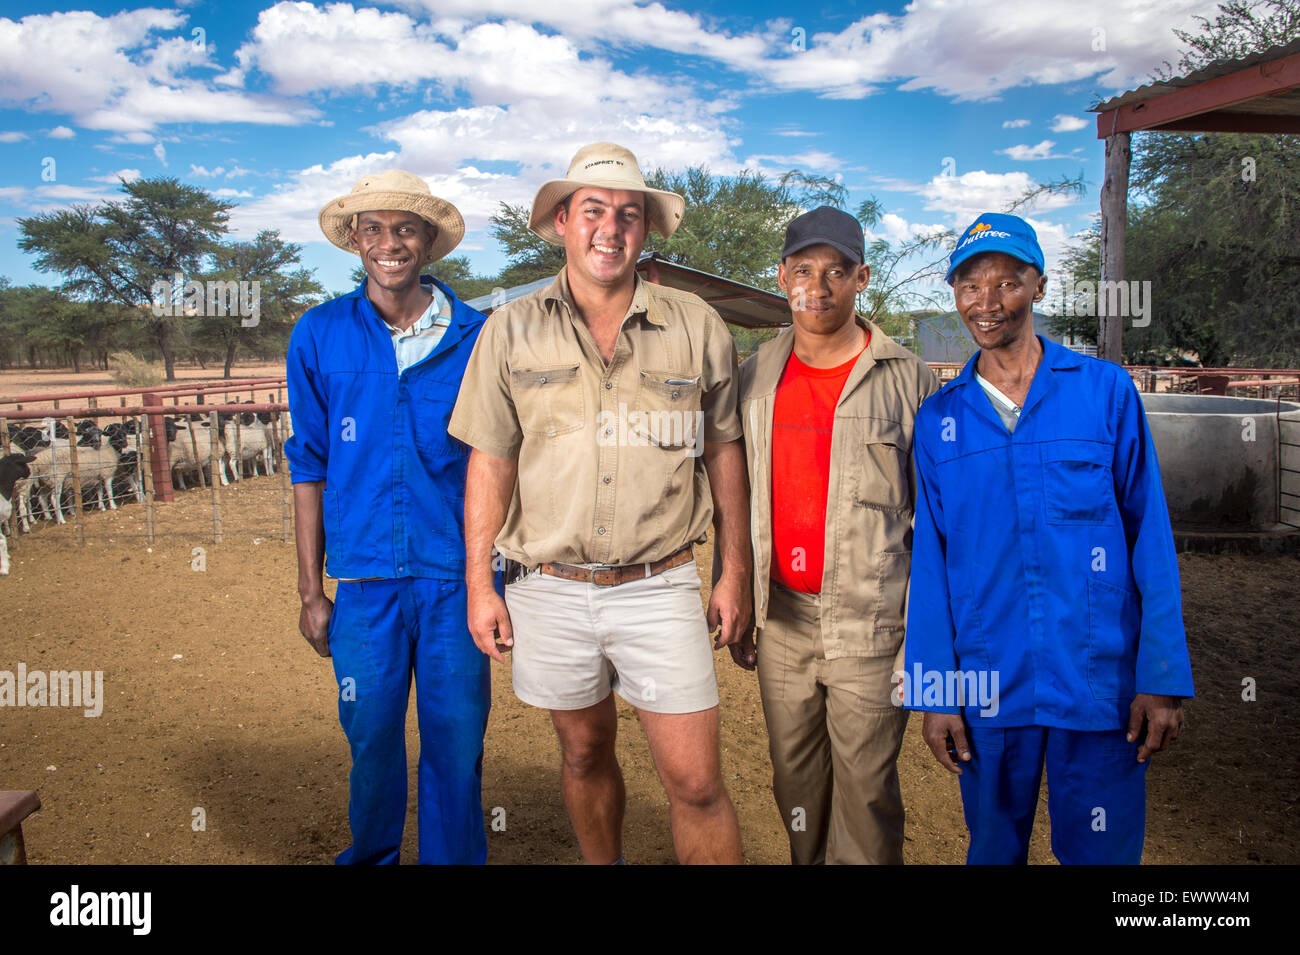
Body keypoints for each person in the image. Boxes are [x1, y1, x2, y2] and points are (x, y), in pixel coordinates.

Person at [449, 142, 750, 865]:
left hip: (661, 582)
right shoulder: (509, 329)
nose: (609, 229)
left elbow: (725, 451)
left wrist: (733, 569)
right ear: (560, 221)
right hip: (550, 586)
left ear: (644, 230)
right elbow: (491, 459)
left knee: (697, 780)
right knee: (583, 752)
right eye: (592, 211)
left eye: (627, 214)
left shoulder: (697, 325)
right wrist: (479, 583)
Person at [903, 212, 1195, 865]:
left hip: (1097, 684)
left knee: (1101, 857)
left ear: (1038, 284)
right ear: (955, 294)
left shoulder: (1103, 393)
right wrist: (935, 691)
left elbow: (1150, 535)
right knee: (993, 850)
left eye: (1007, 282)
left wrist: (1163, 674)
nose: (987, 302)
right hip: (987, 689)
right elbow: (931, 563)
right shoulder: (941, 420)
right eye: (970, 286)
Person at [285, 170, 491, 864]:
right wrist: (313, 592)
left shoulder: (477, 338)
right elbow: (308, 463)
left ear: (429, 242)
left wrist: (493, 574)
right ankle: (372, 855)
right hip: (364, 584)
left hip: (454, 579)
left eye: (405, 228)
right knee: (370, 736)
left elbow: (503, 457)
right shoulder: (318, 335)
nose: (389, 243)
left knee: (455, 742)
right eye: (373, 228)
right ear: (354, 240)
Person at [725, 206, 939, 864]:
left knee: (867, 794)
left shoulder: (908, 381)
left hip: (872, 627)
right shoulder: (755, 374)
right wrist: (736, 593)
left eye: (836, 271)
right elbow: (734, 494)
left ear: (861, 277)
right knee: (795, 785)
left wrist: (925, 646)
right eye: (804, 270)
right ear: (783, 274)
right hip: (782, 619)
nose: (817, 286)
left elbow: (935, 526)